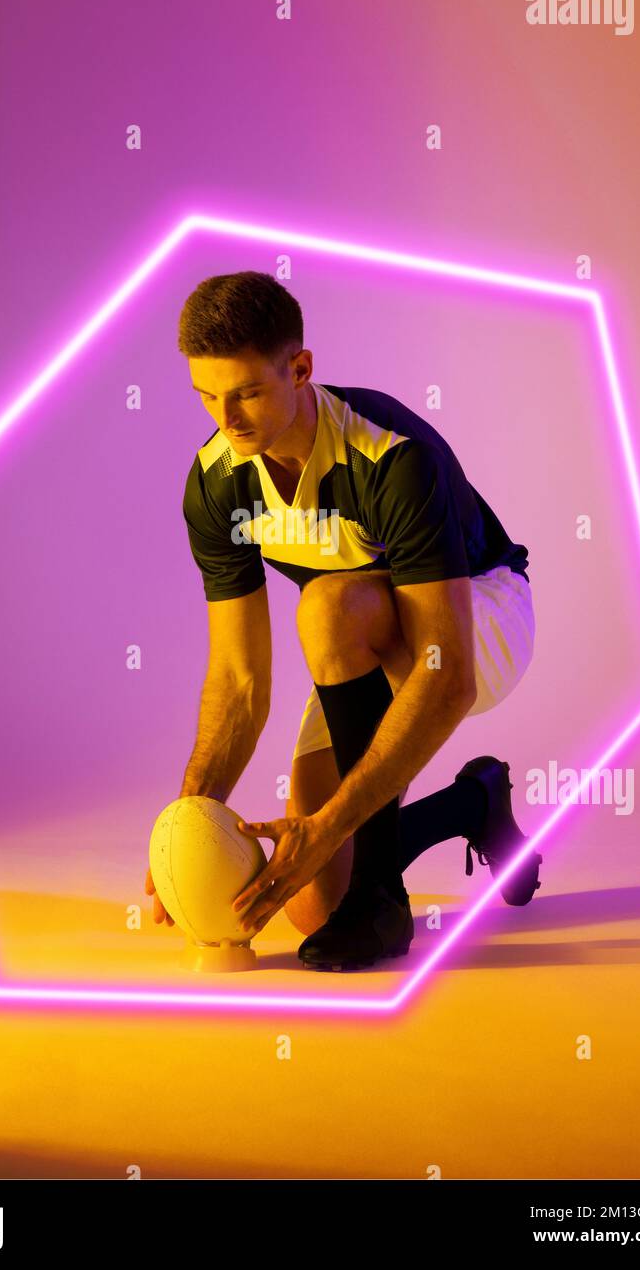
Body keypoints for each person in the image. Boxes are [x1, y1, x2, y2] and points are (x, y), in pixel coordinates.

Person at [144, 270, 541, 971]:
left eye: (247, 393)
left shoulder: (390, 457)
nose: (226, 419)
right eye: (208, 396)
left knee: (324, 604)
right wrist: (185, 828)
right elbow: (239, 681)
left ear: (300, 369)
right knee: (310, 906)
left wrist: (328, 827)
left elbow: (445, 679)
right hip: (364, 635)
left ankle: (383, 905)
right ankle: (472, 805)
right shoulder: (216, 484)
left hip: (478, 621)